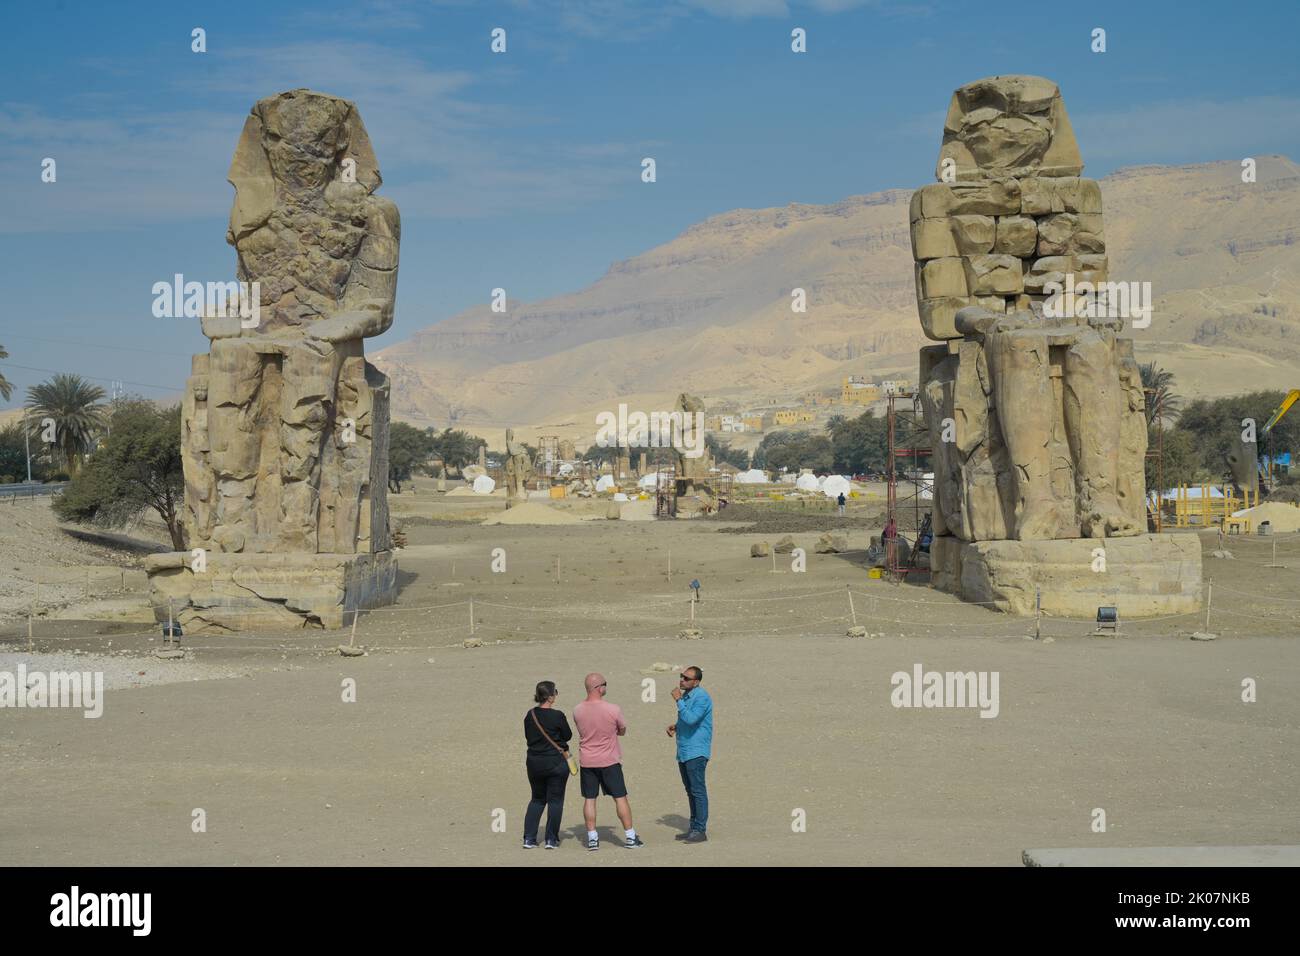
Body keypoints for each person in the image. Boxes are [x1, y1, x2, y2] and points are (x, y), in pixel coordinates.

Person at [573, 673, 643, 850]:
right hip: (609, 760)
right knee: (620, 798)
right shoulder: (613, 709)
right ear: (599, 687)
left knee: (590, 799)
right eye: (605, 684)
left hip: (588, 760)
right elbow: (622, 729)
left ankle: (592, 838)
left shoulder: (578, 710)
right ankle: (630, 836)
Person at [522, 680, 573, 850]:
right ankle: (551, 839)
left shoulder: (530, 715)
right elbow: (567, 735)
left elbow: (528, 737)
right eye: (555, 692)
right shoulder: (557, 715)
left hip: (534, 762)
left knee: (537, 799)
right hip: (555, 762)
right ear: (550, 696)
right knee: (555, 801)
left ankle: (529, 838)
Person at [666, 665, 713, 843]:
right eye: (681, 676)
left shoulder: (702, 697)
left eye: (686, 678)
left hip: (696, 751)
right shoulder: (688, 695)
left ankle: (700, 830)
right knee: (690, 790)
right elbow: (689, 719)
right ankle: (693, 827)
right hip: (684, 751)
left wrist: (678, 700)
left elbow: (692, 719)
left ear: (696, 682)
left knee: (698, 791)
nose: (681, 680)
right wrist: (676, 727)